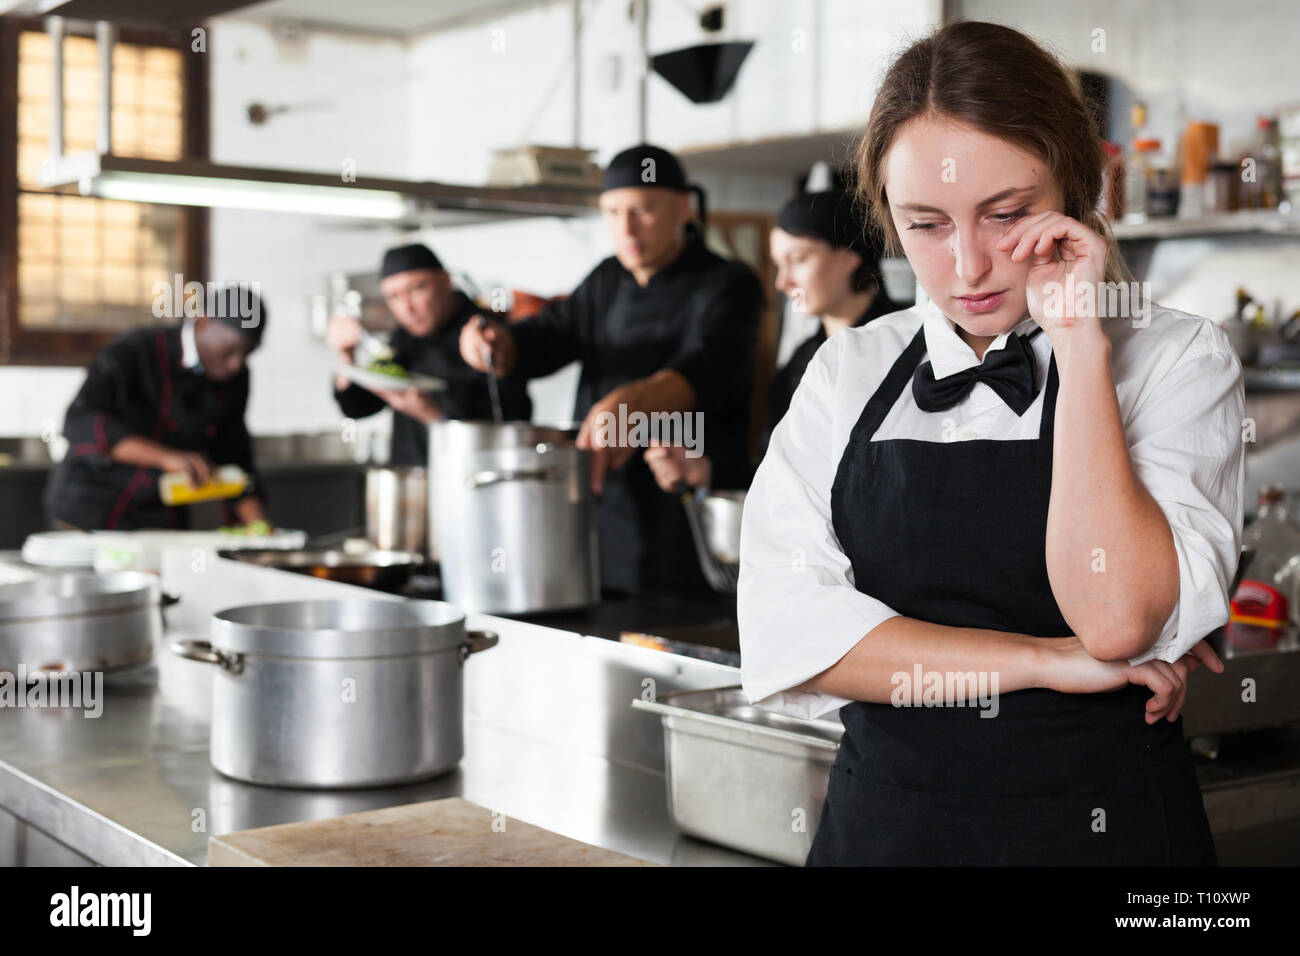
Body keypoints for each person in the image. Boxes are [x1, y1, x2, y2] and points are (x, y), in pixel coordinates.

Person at [738, 20, 1243, 866]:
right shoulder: (846, 372)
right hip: (886, 833)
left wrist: (1082, 347)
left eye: (1006, 214)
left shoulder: (1175, 359)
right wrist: (1046, 662)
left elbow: (1117, 618)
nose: (969, 266)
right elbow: (799, 642)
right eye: (926, 224)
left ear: (1084, 191)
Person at [460, 143, 763, 596]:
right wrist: (498, 343)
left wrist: (628, 405)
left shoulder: (729, 284)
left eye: (642, 210)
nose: (626, 228)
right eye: (612, 212)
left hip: (687, 521)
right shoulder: (606, 279)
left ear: (682, 208)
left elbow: (708, 368)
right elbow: (548, 336)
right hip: (604, 521)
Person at [644, 183, 897, 491]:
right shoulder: (801, 363)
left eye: (798, 260)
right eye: (779, 265)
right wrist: (707, 470)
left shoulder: (905, 345)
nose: (782, 282)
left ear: (848, 257)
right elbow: (780, 472)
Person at [45, 283, 270, 531]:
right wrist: (166, 458)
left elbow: (234, 452)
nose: (236, 364)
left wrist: (259, 528)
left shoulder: (235, 379)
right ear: (203, 321)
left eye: (246, 354)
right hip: (88, 511)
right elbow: (81, 422)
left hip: (159, 522)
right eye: (230, 350)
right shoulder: (134, 350)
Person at [327, 243, 531, 466]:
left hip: (469, 481)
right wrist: (346, 356)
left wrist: (434, 417)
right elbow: (358, 406)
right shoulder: (404, 337)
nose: (407, 308)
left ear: (446, 281)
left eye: (416, 289)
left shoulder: (487, 334)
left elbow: (511, 429)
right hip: (411, 477)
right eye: (394, 297)